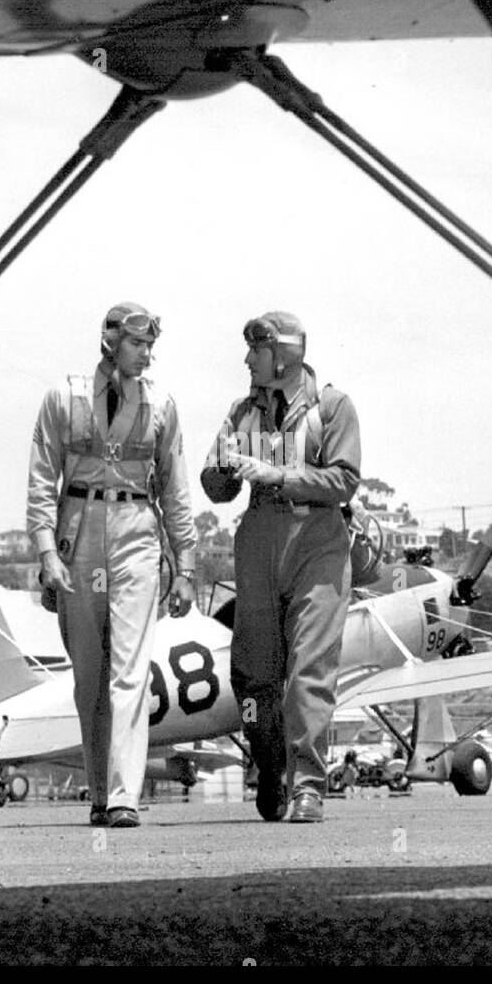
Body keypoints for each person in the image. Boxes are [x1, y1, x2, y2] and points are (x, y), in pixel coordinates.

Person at [27, 302, 197, 828]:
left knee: (131, 671)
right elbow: (40, 480)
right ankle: (101, 794)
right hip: (77, 531)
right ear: (110, 342)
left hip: (135, 536)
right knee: (89, 677)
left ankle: (125, 795)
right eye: (138, 343)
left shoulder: (162, 404)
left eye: (150, 346)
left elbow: (175, 488)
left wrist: (185, 564)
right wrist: (46, 553)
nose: (146, 354)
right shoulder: (63, 398)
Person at [200, 312, 361, 823]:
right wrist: (223, 469)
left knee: (309, 672)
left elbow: (344, 481)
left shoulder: (332, 408)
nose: (247, 360)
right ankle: (269, 767)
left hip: (318, 543)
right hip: (258, 543)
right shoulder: (241, 411)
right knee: (253, 677)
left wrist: (281, 474)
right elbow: (214, 485)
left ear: (283, 355)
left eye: (256, 351)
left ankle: (308, 785)